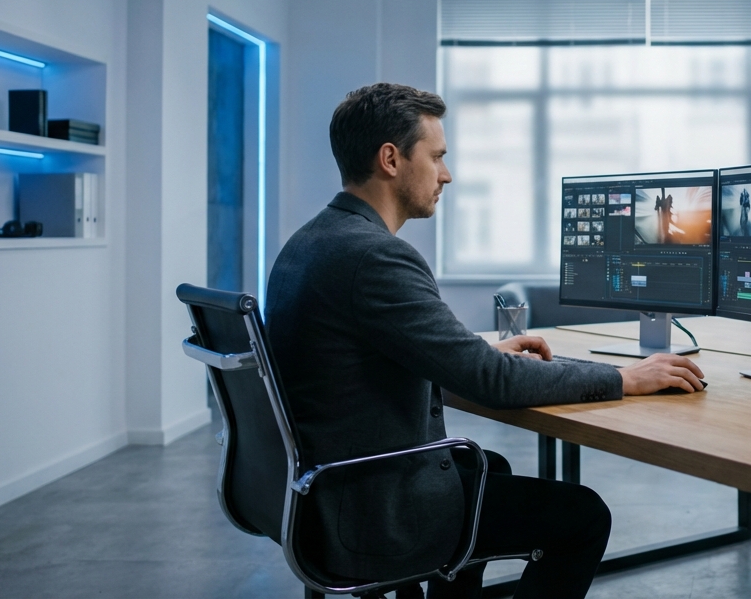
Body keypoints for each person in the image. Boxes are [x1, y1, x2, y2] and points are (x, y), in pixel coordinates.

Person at [264, 82, 705, 599]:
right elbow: (491, 383)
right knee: (581, 517)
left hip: (319, 495)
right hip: (368, 513)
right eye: (437, 157)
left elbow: (364, 362)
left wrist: (472, 355)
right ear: (390, 159)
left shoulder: (312, 241)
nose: (447, 174)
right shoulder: (375, 257)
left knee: (488, 468)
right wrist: (624, 377)